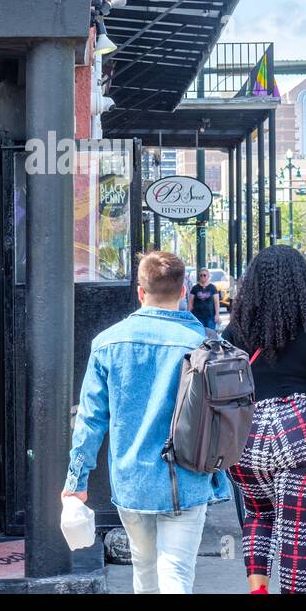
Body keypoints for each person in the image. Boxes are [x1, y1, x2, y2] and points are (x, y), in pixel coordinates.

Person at [62, 250, 231, 593]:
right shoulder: (206, 345)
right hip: (189, 477)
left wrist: (76, 480)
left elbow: (90, 421)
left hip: (132, 480)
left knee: (145, 570)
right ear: (184, 290)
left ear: (140, 291)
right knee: (177, 574)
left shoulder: (107, 343)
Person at [222, 245, 306, 594]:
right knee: (297, 531)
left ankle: (258, 589)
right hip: (301, 434)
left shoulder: (236, 330)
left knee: (259, 515)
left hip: (247, 436)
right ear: (304, 281)